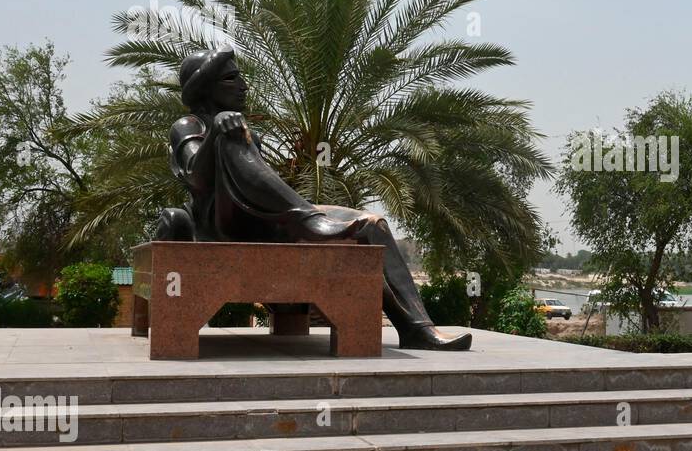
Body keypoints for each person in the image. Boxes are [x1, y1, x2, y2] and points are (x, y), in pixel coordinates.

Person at [155, 44, 471, 351]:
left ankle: (417, 330)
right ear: (205, 88)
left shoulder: (241, 128)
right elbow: (196, 176)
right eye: (231, 78)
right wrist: (218, 133)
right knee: (232, 136)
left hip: (267, 221)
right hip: (222, 225)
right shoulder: (188, 126)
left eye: (241, 77)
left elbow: (257, 182)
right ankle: (308, 218)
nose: (244, 85)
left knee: (371, 225)